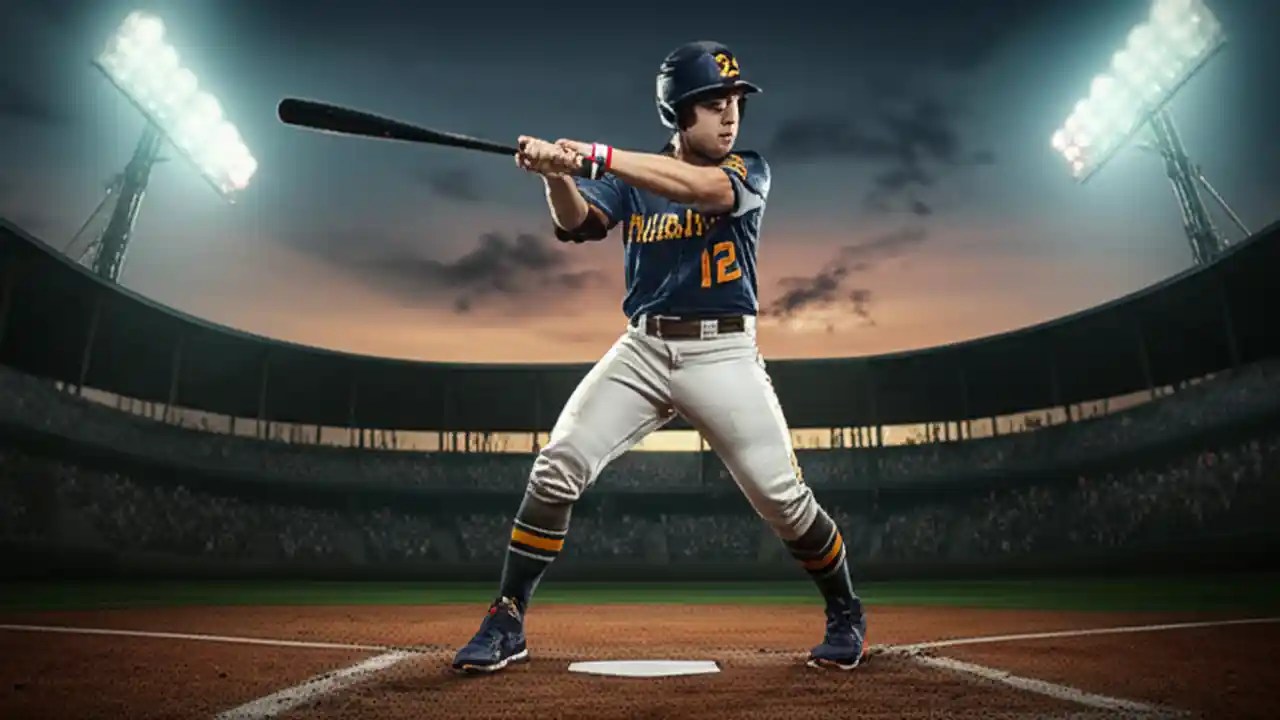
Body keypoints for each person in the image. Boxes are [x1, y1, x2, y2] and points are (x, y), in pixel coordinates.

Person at [451, 40, 866, 674]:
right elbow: (578, 226)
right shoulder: (633, 178)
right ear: (677, 113)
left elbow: (701, 191)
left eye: (734, 103)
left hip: (724, 352)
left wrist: (597, 155)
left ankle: (845, 610)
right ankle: (507, 617)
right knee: (557, 465)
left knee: (783, 498)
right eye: (712, 104)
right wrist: (557, 174)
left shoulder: (746, 169)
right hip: (643, 347)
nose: (730, 117)